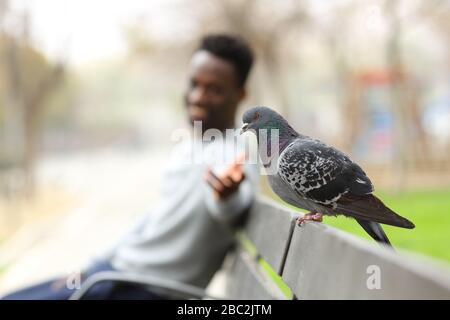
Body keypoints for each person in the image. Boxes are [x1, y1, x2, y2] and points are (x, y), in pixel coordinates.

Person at [2, 34, 257, 299]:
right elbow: (148, 223)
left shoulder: (235, 153)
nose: (198, 97)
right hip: (110, 274)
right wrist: (86, 269)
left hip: (140, 290)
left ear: (240, 95)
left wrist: (227, 196)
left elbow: (231, 207)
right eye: (194, 84)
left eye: (214, 89)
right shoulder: (191, 147)